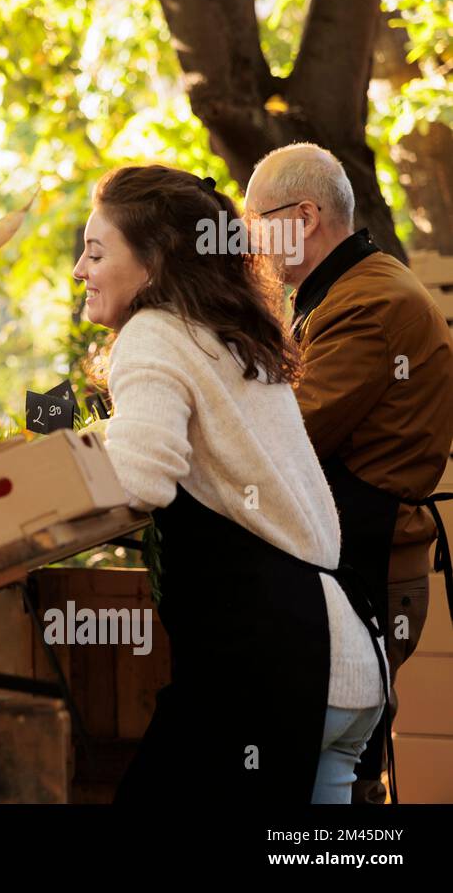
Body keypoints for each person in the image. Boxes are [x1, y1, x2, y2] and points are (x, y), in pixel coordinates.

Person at [75, 165, 388, 803]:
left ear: (155, 261)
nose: (80, 268)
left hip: (267, 671)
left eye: (96, 251)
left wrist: (33, 484)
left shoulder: (152, 334)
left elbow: (142, 479)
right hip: (343, 662)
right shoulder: (234, 338)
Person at [244, 143, 453, 802]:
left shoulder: (367, 304)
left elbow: (289, 438)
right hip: (354, 570)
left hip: (370, 574)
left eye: (255, 225)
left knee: (329, 781)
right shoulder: (339, 290)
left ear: (303, 215)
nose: (249, 245)